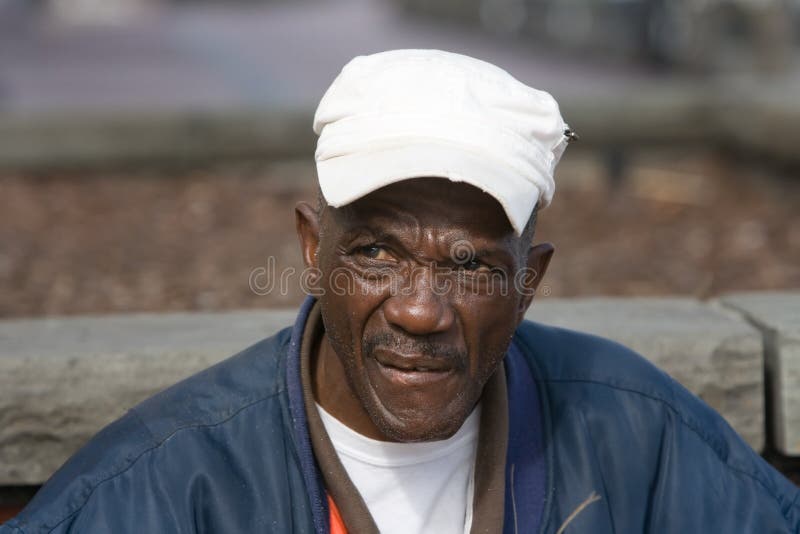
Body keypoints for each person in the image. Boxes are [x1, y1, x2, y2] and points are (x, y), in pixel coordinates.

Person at [2, 49, 798, 534]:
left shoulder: (642, 440)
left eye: (472, 265)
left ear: (531, 283)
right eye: (377, 252)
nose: (420, 310)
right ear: (314, 251)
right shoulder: (163, 491)